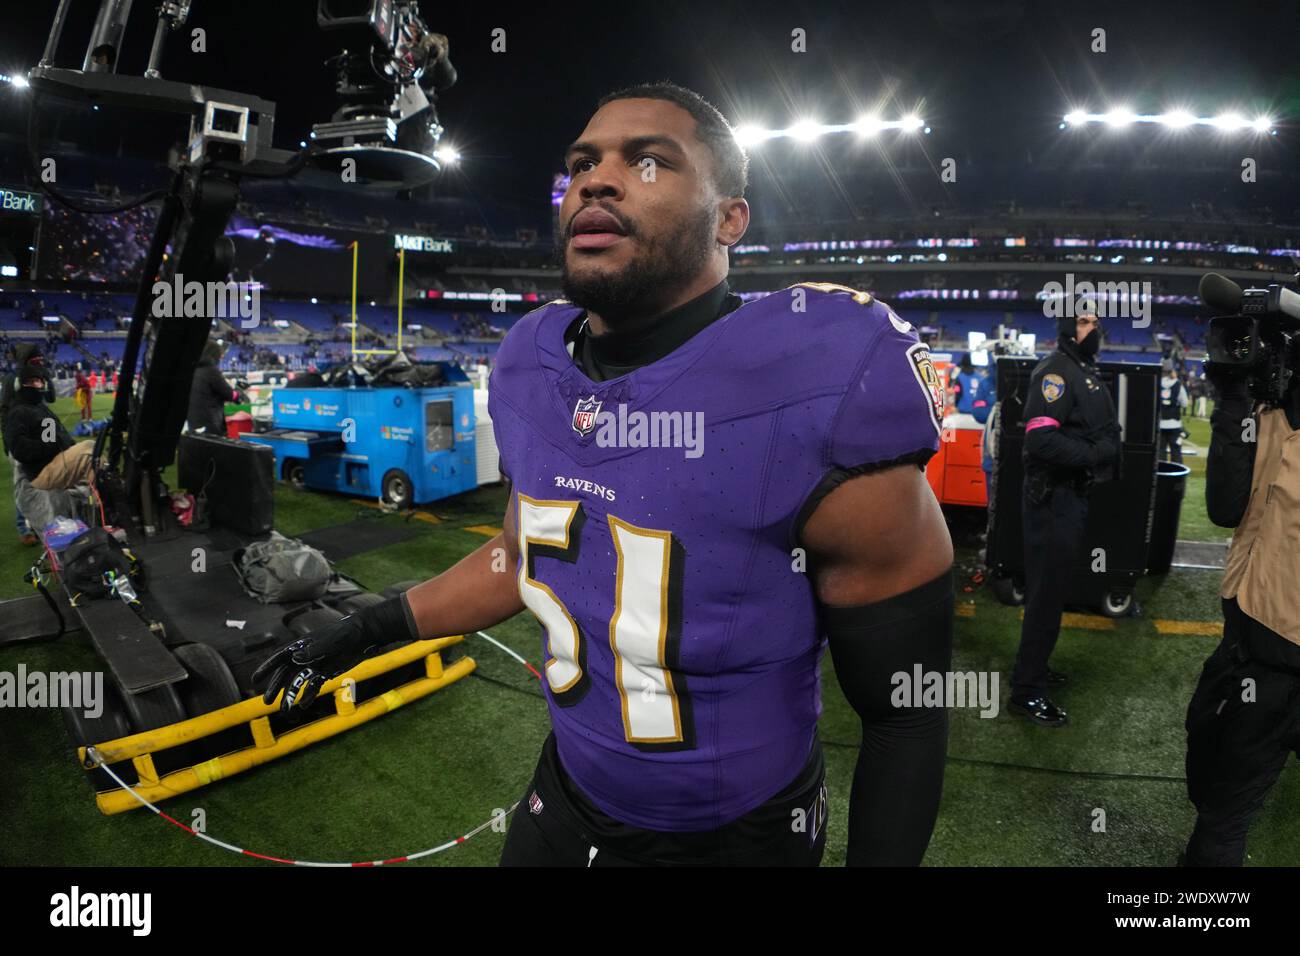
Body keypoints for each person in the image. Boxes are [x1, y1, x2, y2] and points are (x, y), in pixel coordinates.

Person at [255, 82, 955, 867]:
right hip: (566, 800)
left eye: (650, 161)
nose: (597, 178)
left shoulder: (818, 379)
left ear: (730, 218)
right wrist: (367, 627)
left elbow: (906, 714)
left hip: (738, 839)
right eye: (582, 162)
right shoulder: (529, 361)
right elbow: (520, 554)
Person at [1183, 360, 1300, 866]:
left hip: (1284, 655)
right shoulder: (1270, 410)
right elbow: (1226, 508)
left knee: (1224, 815)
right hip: (1244, 639)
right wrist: (1232, 401)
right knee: (1207, 767)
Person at [1009, 312, 1121, 726]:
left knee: (1052, 593)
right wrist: (1095, 453)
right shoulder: (1056, 370)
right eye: (1088, 322)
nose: (1096, 329)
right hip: (1052, 499)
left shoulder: (1079, 369)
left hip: (1068, 497)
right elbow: (1040, 439)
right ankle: (1026, 692)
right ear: (1067, 330)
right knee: (1046, 596)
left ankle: (1032, 669)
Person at [2, 344, 55, 546]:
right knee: (24, 482)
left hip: (42, 437)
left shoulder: (40, 379)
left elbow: (51, 399)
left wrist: (46, 377)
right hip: (21, 440)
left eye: (41, 361)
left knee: (43, 481)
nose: (39, 365)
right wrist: (9, 442)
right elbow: (4, 411)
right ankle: (24, 528)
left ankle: (41, 523)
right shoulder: (11, 380)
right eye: (36, 362)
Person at [186, 339, 240, 435]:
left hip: (193, 422)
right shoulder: (211, 371)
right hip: (210, 423)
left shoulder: (193, 370)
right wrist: (237, 394)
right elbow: (230, 395)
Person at [1159, 361, 1189, 462]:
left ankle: (1161, 476)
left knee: (1160, 453)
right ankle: (1176, 477)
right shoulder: (1178, 384)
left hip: (1160, 424)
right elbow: (1185, 403)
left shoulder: (1157, 382)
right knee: (1176, 453)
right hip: (1175, 425)